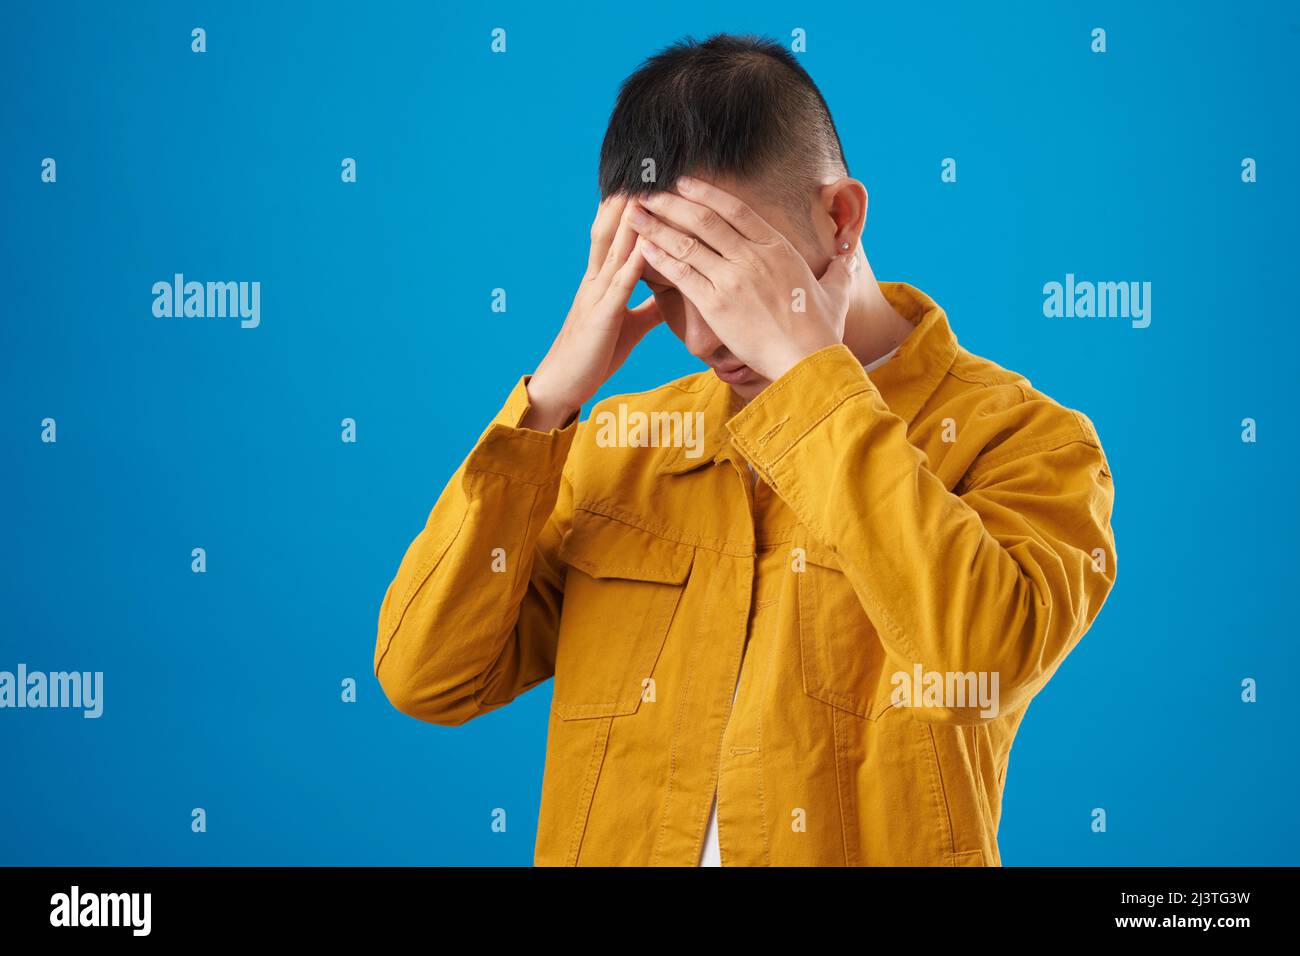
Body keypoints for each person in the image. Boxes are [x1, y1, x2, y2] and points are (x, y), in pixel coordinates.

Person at [374, 34, 1117, 866]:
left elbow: (979, 659)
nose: (698, 335)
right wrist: (548, 401)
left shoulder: (1027, 441)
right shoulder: (624, 447)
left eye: (727, 272)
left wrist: (810, 377)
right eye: (665, 289)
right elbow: (427, 674)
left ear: (839, 217)